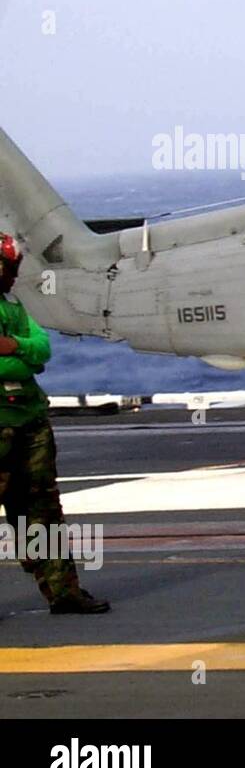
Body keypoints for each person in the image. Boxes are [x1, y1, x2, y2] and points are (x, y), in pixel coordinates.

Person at [0, 233, 109, 615]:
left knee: (42, 511)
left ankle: (64, 592)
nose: (13, 276)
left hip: (30, 423)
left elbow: (41, 349)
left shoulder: (13, 309)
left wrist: (17, 349)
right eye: (9, 268)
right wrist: (21, 357)